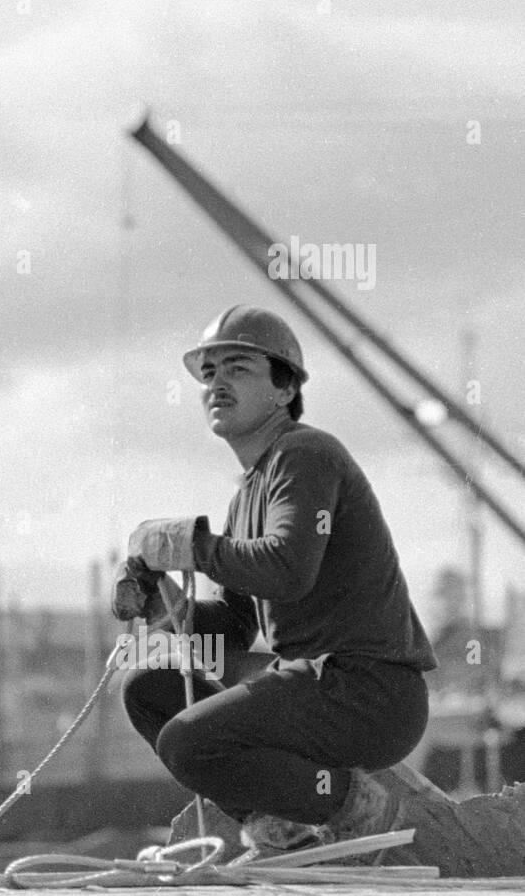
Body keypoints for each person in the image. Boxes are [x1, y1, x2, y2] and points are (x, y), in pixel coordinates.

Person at [113, 305, 438, 861]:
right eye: (209, 373)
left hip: (369, 690)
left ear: (285, 389)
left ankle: (356, 807)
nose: (217, 383)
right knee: (147, 688)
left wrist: (192, 546)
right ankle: (283, 827)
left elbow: (286, 569)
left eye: (237, 369)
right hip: (317, 684)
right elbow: (238, 625)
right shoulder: (249, 494)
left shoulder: (305, 455)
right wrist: (169, 608)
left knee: (190, 745)